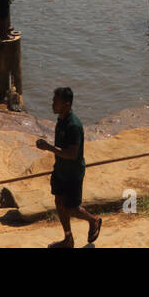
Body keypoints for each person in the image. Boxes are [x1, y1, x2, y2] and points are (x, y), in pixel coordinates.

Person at [36, 86, 101, 248]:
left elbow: (72, 154)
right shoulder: (61, 120)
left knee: (71, 208)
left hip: (73, 173)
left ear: (66, 104)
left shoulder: (74, 126)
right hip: (60, 170)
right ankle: (68, 238)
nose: (52, 104)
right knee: (59, 202)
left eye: (55, 101)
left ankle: (94, 220)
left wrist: (48, 148)